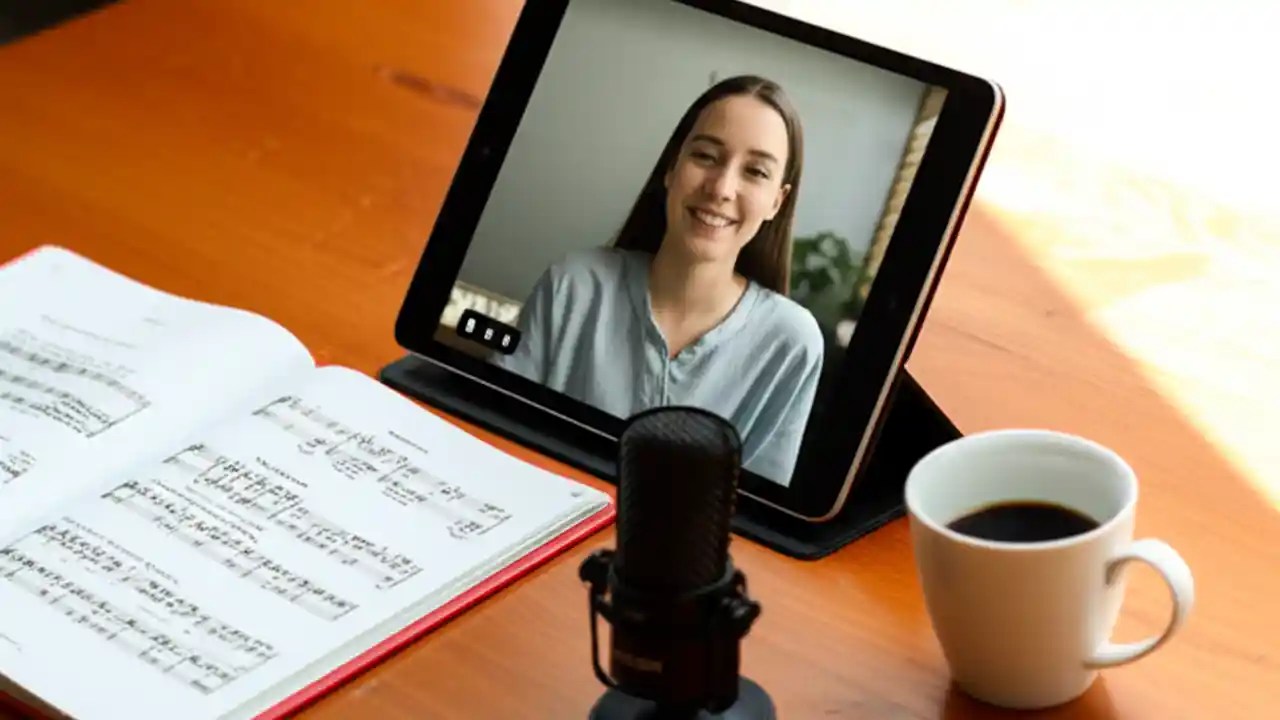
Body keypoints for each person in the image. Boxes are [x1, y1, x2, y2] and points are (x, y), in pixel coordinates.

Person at [492, 75, 824, 486]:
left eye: (755, 172)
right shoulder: (573, 285)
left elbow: (757, 519)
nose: (721, 188)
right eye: (705, 156)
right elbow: (493, 442)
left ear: (777, 201)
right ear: (672, 167)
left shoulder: (791, 342)